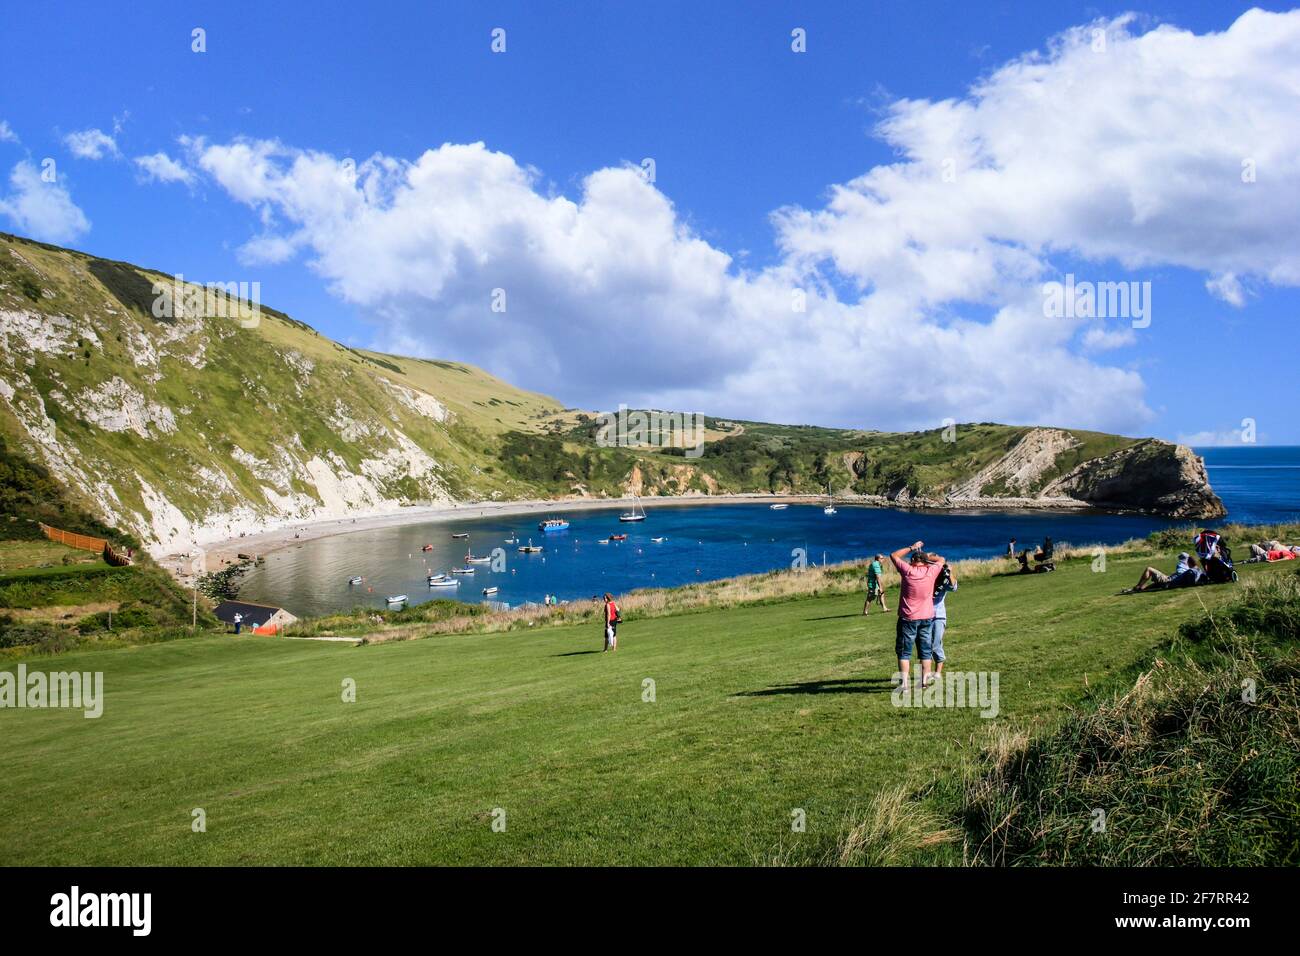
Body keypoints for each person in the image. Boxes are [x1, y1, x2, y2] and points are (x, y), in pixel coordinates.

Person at [889, 541, 945, 690]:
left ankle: (905, 685)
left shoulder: (907, 570)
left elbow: (893, 555)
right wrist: (926, 557)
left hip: (908, 618)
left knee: (904, 652)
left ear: (913, 561)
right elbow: (941, 560)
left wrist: (912, 548)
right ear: (924, 561)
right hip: (927, 618)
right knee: (925, 652)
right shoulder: (931, 571)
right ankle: (923, 683)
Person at [1124, 553, 1202, 593]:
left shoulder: (1181, 565)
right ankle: (1135, 589)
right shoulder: (1195, 569)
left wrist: (1172, 576)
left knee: (1149, 569)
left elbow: (1180, 573)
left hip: (1168, 581)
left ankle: (1137, 587)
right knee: (1146, 588)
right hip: (1171, 580)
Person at [931, 563, 958, 676]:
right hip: (923, 615)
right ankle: (926, 672)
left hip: (938, 616)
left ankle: (937, 672)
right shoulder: (927, 579)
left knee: (936, 643)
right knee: (925, 645)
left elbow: (954, 587)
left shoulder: (944, 581)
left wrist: (949, 573)